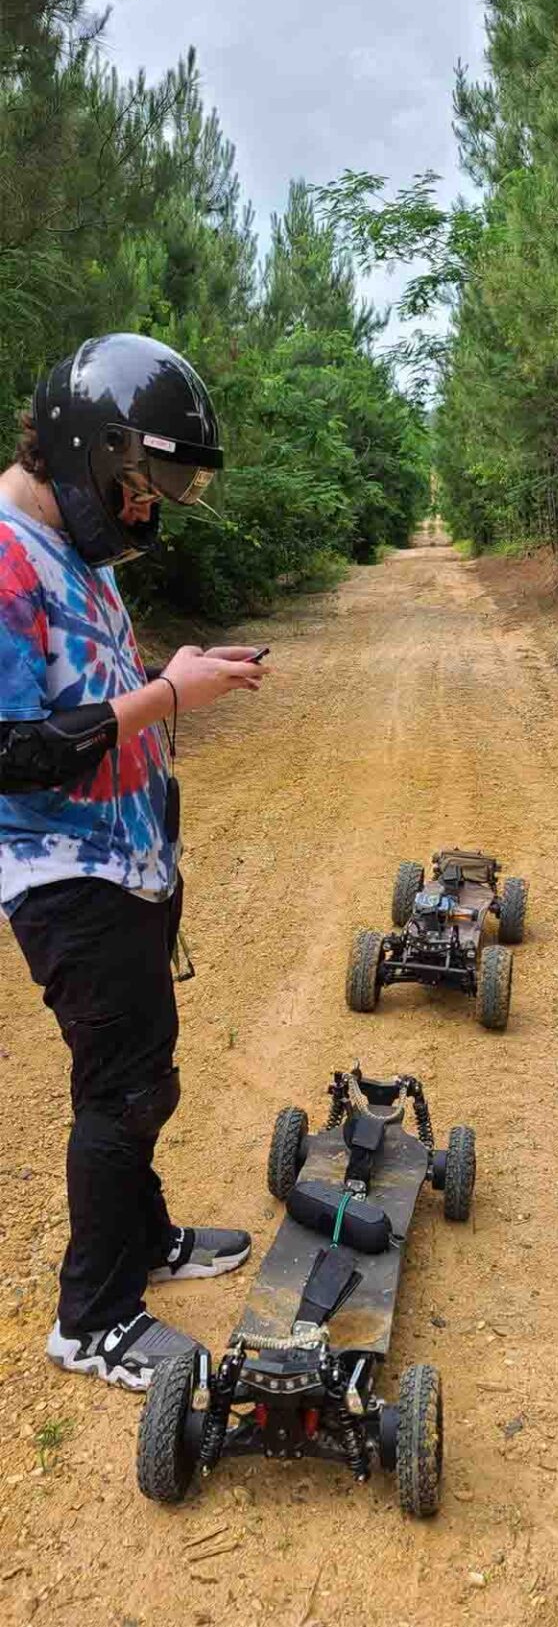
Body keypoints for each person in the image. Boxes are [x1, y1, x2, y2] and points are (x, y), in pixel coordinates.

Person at [0, 332, 270, 1391]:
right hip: (67, 874)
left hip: (127, 861)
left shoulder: (70, 544)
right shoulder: (8, 556)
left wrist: (175, 672)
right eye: (141, 483)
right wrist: (166, 698)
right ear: (88, 448)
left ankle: (145, 1238)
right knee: (123, 1087)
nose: (148, 507)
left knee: (143, 1074)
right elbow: (11, 750)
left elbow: (87, 690)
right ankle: (94, 1315)